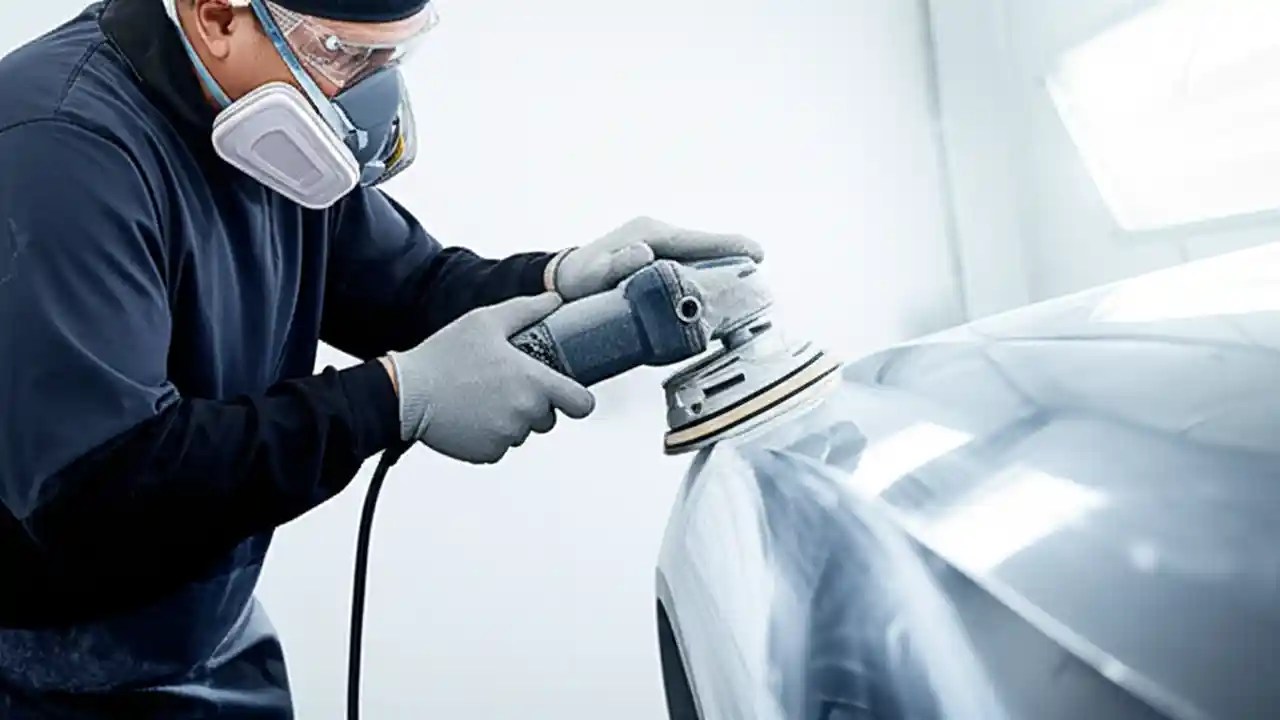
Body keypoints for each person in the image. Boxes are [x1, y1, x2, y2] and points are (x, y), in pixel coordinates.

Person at [0, 0, 763, 716]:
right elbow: (99, 491)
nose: (369, 95)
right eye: (342, 54)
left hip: (209, 633)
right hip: (39, 673)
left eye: (389, 58)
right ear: (217, 15)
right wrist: (393, 398)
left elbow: (410, 287)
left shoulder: (262, 116)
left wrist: (563, 281)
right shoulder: (57, 151)